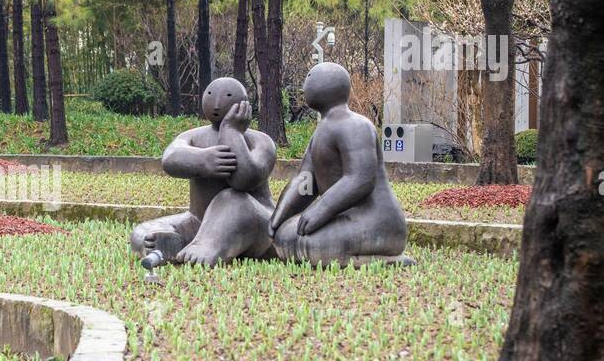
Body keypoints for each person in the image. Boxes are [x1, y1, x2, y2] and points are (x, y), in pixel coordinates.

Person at [270, 62, 408, 265]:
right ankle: (359, 257)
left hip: (377, 221)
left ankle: (383, 258)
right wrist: (280, 215)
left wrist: (322, 209)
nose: (305, 84)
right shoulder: (320, 131)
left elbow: (360, 178)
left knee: (311, 245)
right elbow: (306, 181)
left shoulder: (356, 125)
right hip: (346, 219)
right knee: (286, 236)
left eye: (309, 77)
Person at [130, 77, 277, 267]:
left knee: (232, 199)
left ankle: (209, 244)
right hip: (199, 222)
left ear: (243, 105)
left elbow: (244, 180)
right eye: (210, 95)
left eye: (227, 96)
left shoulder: (261, 141)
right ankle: (175, 242)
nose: (216, 104)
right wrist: (203, 160)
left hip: (254, 220)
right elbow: (170, 157)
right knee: (143, 232)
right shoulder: (194, 136)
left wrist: (231, 130)